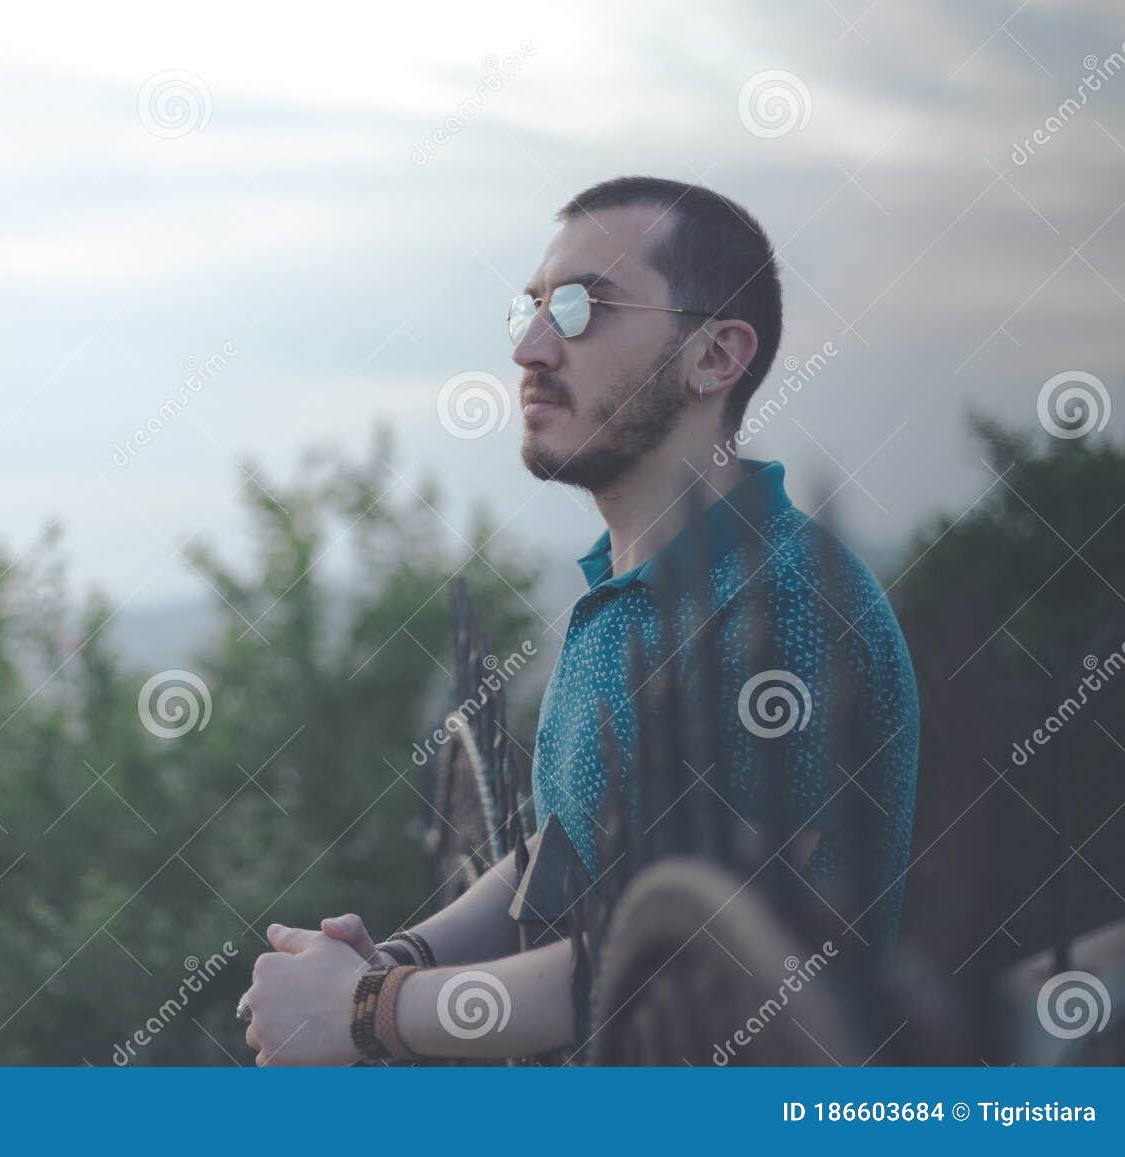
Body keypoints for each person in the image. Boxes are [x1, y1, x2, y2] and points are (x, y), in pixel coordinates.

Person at [240, 176, 919, 1066]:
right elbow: (564, 848)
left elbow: (692, 955)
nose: (529, 347)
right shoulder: (629, 587)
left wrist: (371, 1010)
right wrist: (401, 957)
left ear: (714, 357)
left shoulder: (780, 607)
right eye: (530, 308)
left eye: (581, 307)